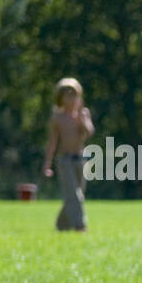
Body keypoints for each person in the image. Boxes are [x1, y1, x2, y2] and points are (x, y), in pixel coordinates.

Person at [43, 77, 94, 232]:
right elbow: (53, 142)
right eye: (67, 95)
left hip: (80, 159)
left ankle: (61, 225)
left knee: (76, 196)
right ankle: (80, 226)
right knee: (74, 195)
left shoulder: (83, 114)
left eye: (74, 95)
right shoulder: (57, 118)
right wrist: (47, 164)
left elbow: (90, 132)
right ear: (61, 98)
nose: (71, 99)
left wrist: (83, 121)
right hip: (65, 160)